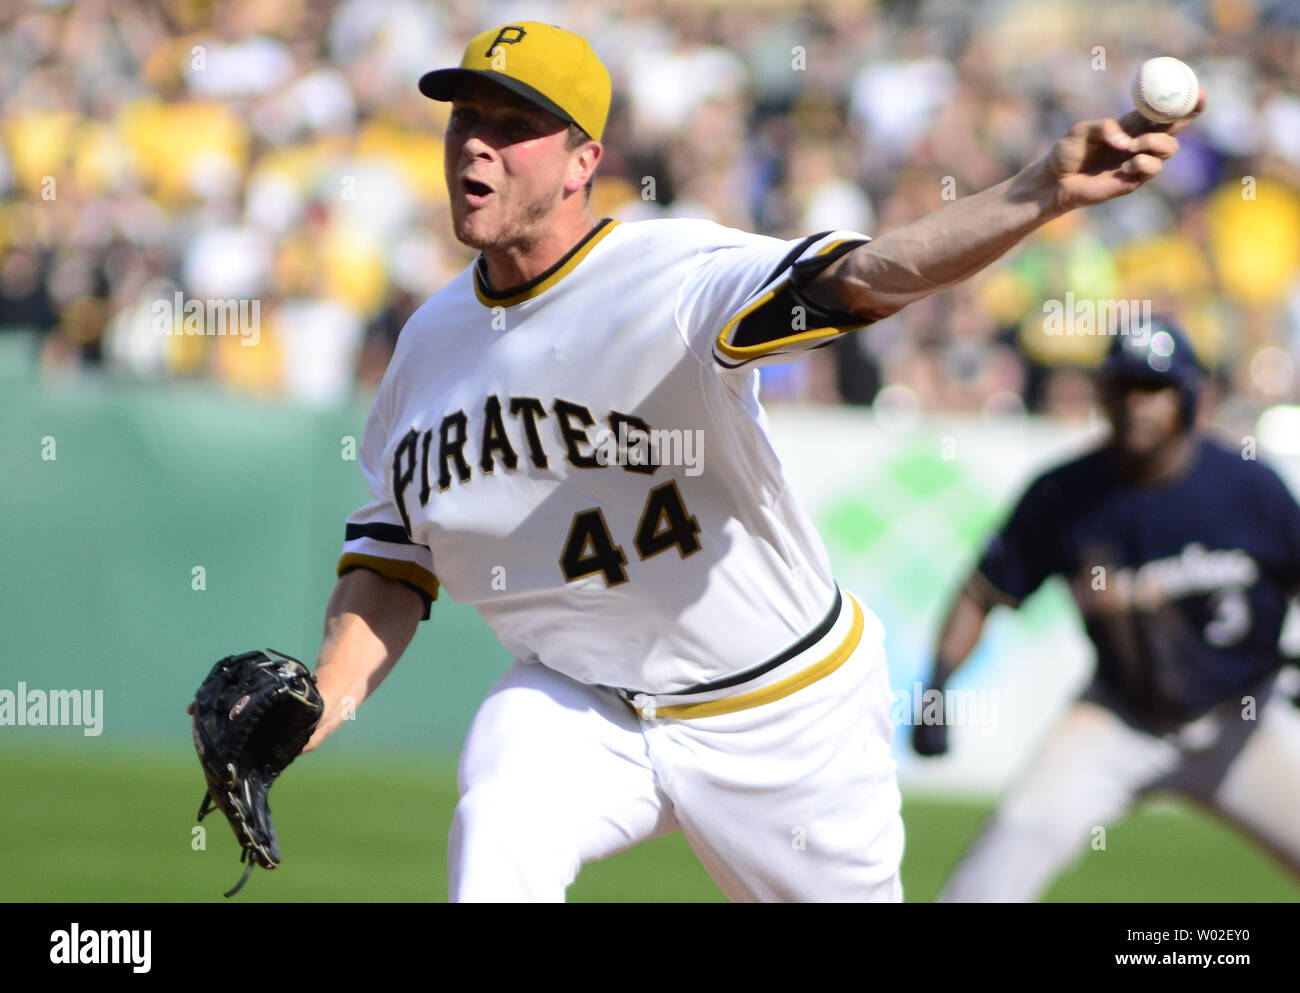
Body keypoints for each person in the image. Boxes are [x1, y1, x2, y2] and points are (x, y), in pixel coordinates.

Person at [299, 20, 1201, 901]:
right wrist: (321, 698)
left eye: (513, 127)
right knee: (500, 814)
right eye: (467, 119)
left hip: (779, 709)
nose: (478, 147)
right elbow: (395, 555)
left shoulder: (676, 277)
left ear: (583, 161)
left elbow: (865, 279)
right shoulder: (427, 346)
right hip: (584, 701)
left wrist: (1037, 190)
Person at [916, 317, 1300, 901]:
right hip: (1121, 721)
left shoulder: (1248, 486)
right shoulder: (1065, 494)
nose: (1137, 406)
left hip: (1242, 723)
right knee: (1007, 851)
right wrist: (938, 686)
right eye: (1124, 387)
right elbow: (983, 591)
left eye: (1154, 389)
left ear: (1188, 396)